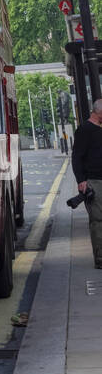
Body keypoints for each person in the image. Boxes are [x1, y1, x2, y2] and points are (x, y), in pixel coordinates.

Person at [71, 97, 102, 269]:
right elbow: (77, 157)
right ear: (98, 112)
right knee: (98, 220)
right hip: (94, 181)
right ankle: (100, 258)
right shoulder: (85, 130)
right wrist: (81, 180)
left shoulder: (99, 129)